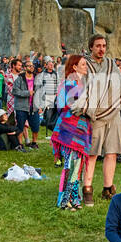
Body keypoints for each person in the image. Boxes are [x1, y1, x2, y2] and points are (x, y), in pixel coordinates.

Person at [83, 35, 121, 207]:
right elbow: (85, 88)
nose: (102, 49)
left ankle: (108, 187)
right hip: (94, 115)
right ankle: (87, 188)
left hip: (113, 112)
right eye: (98, 46)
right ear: (91, 47)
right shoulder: (84, 64)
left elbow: (118, 85)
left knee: (112, 152)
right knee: (92, 153)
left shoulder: (110, 64)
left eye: (104, 45)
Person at [52, 55, 91, 210]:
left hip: (82, 128)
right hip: (69, 129)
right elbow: (62, 105)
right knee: (69, 164)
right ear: (74, 67)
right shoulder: (68, 83)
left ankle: (75, 198)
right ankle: (63, 199)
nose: (86, 66)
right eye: (83, 64)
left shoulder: (84, 84)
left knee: (78, 164)